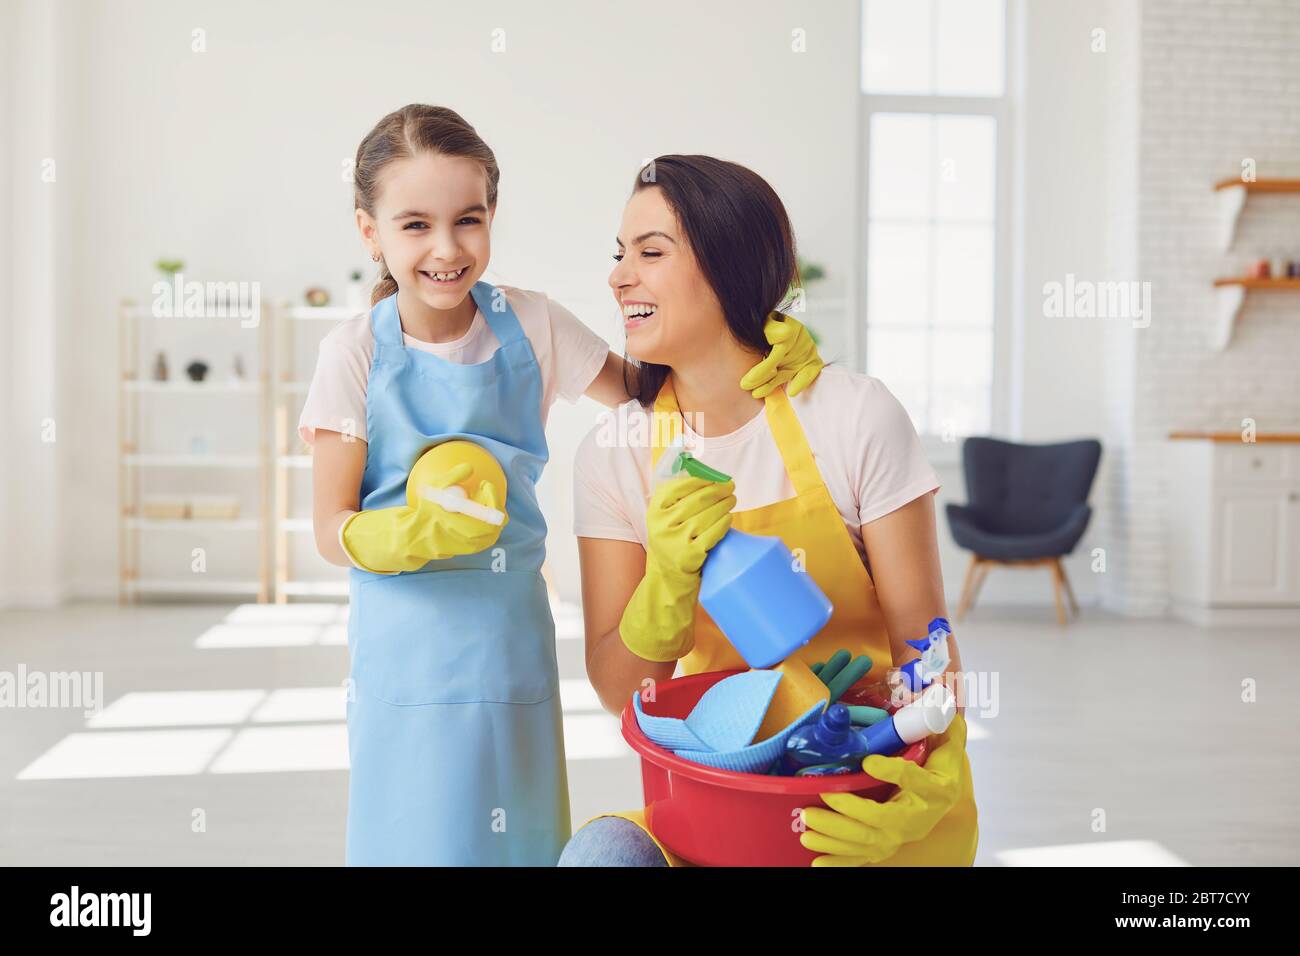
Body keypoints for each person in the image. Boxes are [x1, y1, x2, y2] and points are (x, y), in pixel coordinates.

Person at [300, 107, 826, 865]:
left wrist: (756, 346)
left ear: (491, 217)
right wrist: (410, 531)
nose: (446, 249)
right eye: (414, 225)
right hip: (404, 658)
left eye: (468, 220)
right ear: (369, 230)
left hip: (510, 646)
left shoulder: (533, 324)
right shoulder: (351, 353)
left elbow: (650, 395)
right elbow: (329, 525)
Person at [560, 155, 978, 866]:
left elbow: (924, 645)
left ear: (729, 266)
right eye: (619, 253)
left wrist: (920, 778)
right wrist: (665, 584)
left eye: (651, 252)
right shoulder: (617, 452)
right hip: (730, 784)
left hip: (862, 783)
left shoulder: (852, 415)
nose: (618, 275)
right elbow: (620, 692)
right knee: (602, 855)